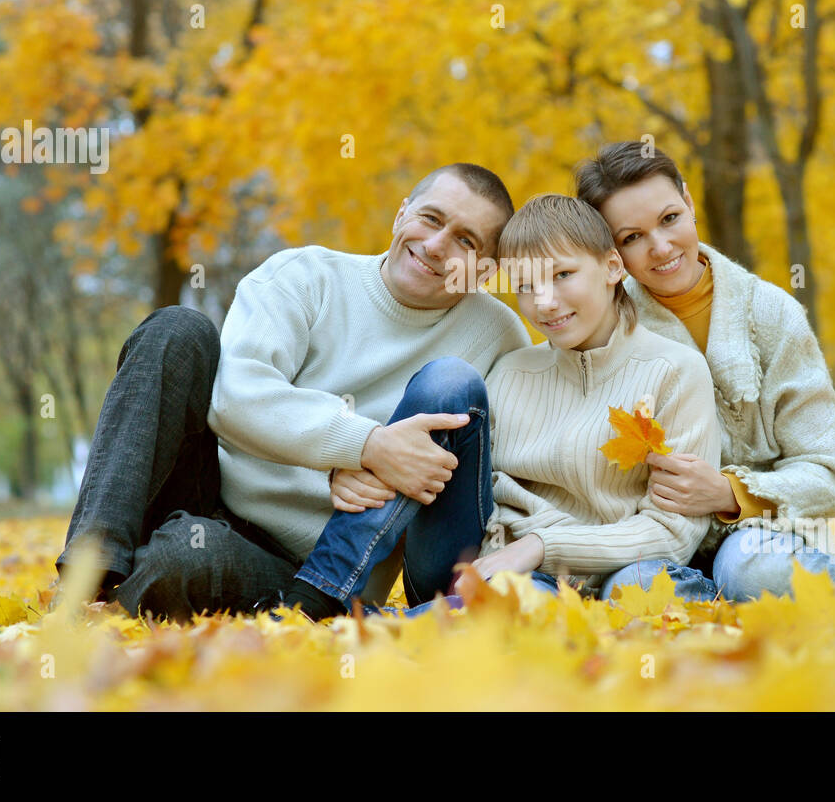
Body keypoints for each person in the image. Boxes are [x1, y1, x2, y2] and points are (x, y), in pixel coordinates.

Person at [54, 163, 531, 622]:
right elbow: (236, 398)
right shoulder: (305, 275)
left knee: (183, 556)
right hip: (210, 490)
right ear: (401, 214)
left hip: (312, 566)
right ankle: (86, 578)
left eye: (465, 241)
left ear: (485, 271)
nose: (436, 245)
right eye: (430, 218)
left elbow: (490, 476)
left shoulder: (499, 338)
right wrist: (363, 446)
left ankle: (146, 581)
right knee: (175, 330)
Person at [575, 140, 835, 602]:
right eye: (632, 238)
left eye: (670, 218)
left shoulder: (771, 313)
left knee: (749, 569)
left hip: (760, 535)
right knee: (632, 589)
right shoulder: (603, 329)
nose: (661, 247)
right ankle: (728, 620)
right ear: (610, 253)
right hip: (653, 540)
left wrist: (727, 492)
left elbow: (830, 473)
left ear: (689, 203)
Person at [467, 194, 724, 600]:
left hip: (632, 568)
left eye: (563, 274)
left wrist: (544, 545)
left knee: (638, 589)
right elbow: (489, 507)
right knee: (512, 604)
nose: (545, 302)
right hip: (530, 576)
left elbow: (673, 531)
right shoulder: (509, 374)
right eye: (525, 286)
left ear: (612, 267)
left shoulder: (675, 371)